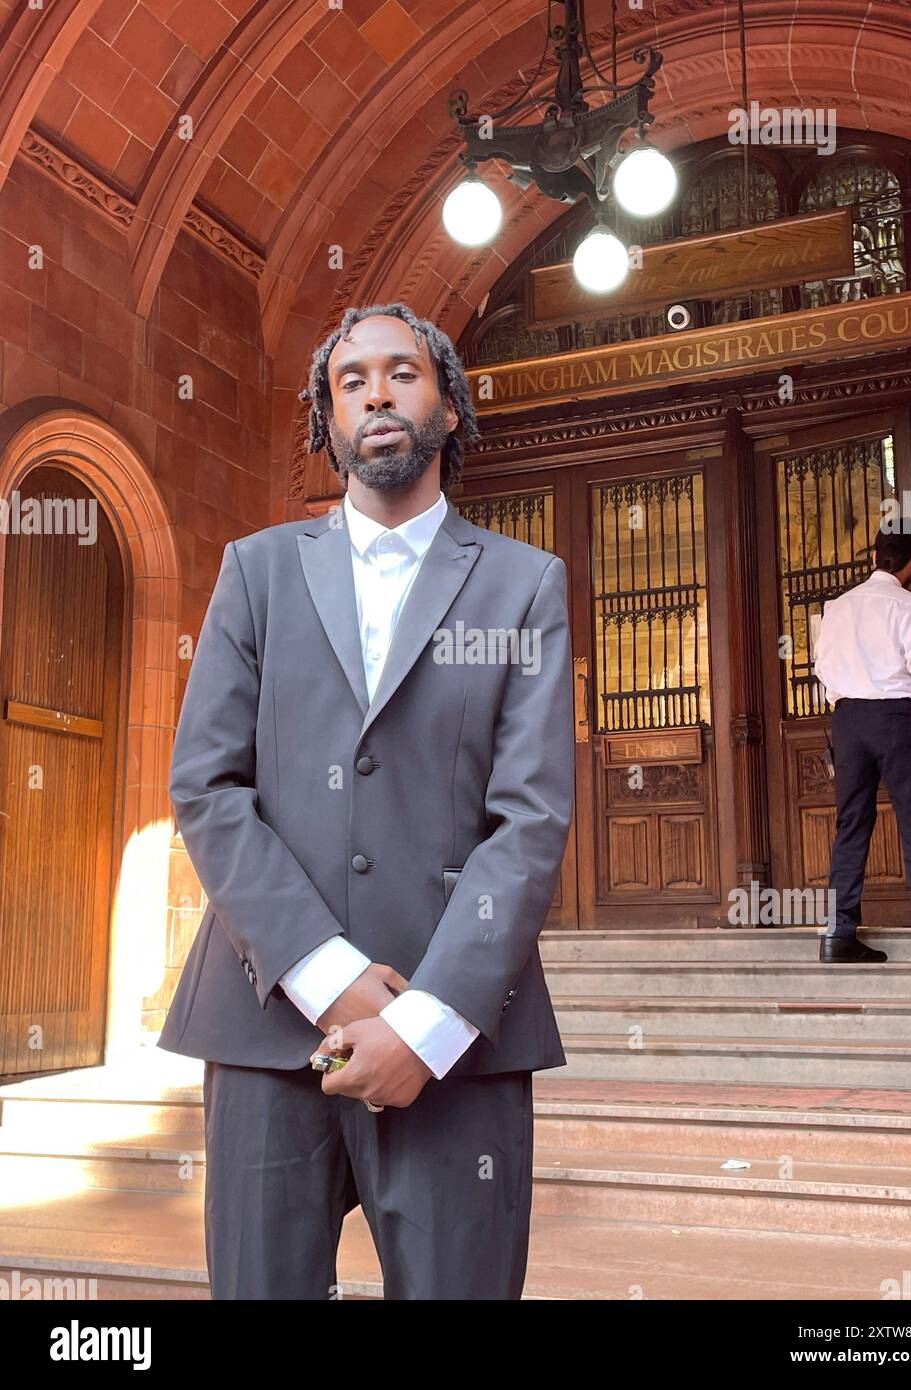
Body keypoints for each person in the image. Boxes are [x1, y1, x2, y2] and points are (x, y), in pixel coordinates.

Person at [157, 302, 575, 1299]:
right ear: (327, 419)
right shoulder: (255, 574)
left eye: (403, 373)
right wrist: (330, 976)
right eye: (352, 380)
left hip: (458, 1039)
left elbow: (532, 820)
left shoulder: (525, 586)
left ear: (450, 408)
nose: (377, 392)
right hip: (264, 1024)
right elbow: (207, 786)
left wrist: (426, 1022)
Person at [813, 528, 911, 966]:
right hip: (896, 718)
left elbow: (823, 670)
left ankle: (838, 933)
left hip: (849, 722)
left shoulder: (837, 607)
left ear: (875, 556)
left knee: (851, 825)